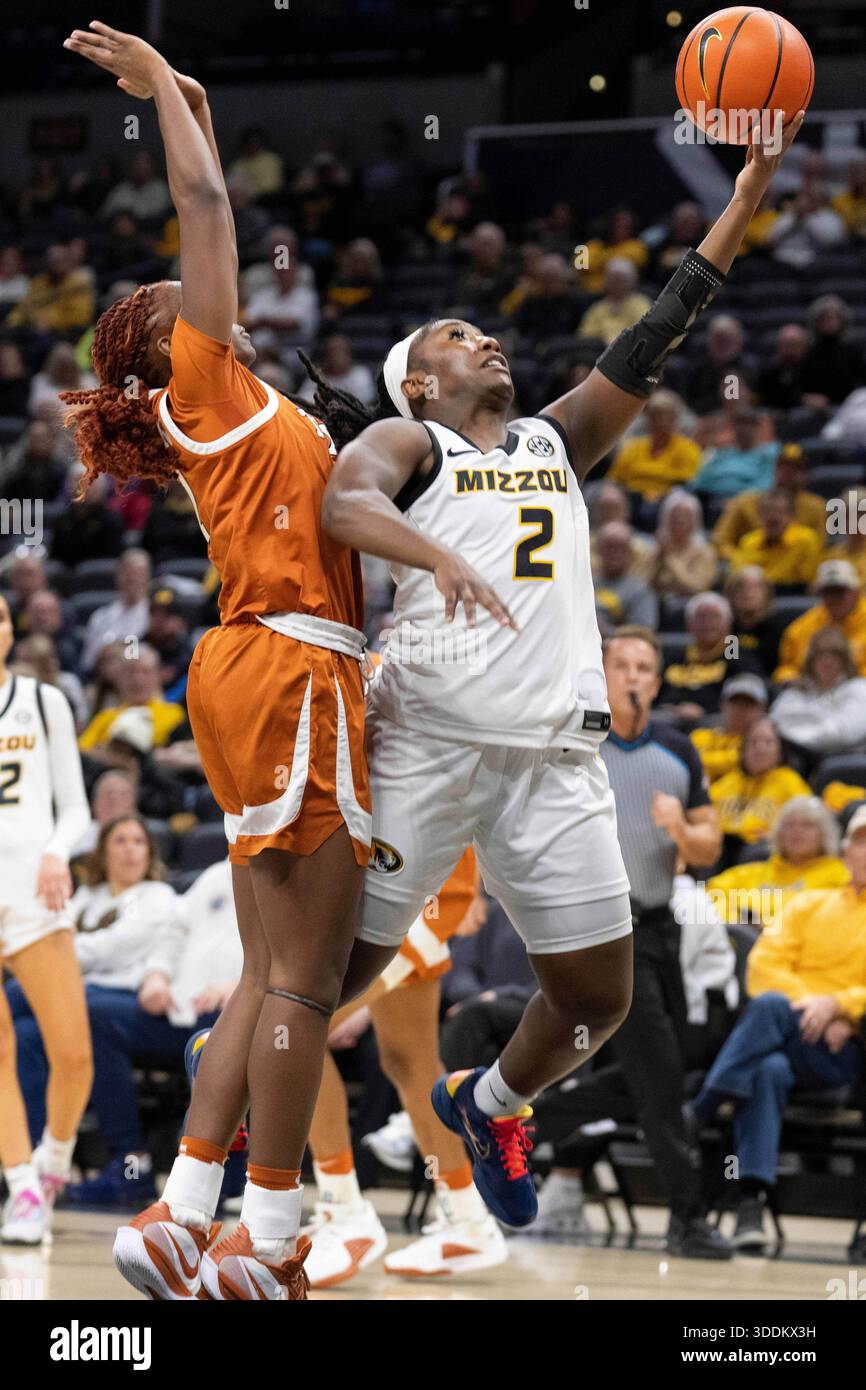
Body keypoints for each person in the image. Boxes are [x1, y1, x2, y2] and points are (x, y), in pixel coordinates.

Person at [311, 111, 803, 1237]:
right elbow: (343, 503)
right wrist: (432, 550)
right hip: (428, 747)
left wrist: (744, 197)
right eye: (452, 335)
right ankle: (234, 1085)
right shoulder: (410, 447)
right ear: (415, 385)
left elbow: (660, 330)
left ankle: (485, 1105)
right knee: (333, 978)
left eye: (482, 331)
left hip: (552, 755)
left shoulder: (547, 439)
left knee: (596, 997)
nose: (482, 340)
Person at [60, 19, 384, 1301]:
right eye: (174, 294)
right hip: (291, 662)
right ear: (160, 336)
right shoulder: (201, 370)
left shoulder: (231, 403)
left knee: (263, 971)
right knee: (304, 977)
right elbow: (201, 193)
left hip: (252, 665)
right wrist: (154, 88)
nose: (194, 289)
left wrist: (184, 91)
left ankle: (180, 1209)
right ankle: (272, 1227)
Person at [528, 628, 728, 1256]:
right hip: (602, 932)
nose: (635, 676)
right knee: (661, 1076)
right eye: (624, 665)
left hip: (663, 928)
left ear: (659, 681)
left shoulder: (678, 750)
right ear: (603, 671)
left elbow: (710, 848)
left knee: (653, 1071)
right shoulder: (578, 742)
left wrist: (681, 832)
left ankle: (507, 1116)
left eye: (646, 667)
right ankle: (687, 1219)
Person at [688, 804, 866, 1252]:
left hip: (848, 1050)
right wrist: (814, 1007)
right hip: (796, 1036)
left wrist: (841, 1008)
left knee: (770, 1011)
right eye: (860, 842)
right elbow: (762, 969)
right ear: (845, 852)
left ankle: (703, 1108)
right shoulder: (809, 904)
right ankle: (751, 1204)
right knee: (766, 1067)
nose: (865, 852)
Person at [0, 595, 91, 1245]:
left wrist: (57, 852)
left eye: (1, 618)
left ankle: (52, 1163)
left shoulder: (42, 701)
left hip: (36, 895)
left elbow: (77, 808)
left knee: (74, 1055)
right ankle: (21, 1189)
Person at [707, 796, 849, 928]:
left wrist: (764, 922)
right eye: (789, 825)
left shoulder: (841, 876)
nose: (797, 831)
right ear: (777, 833)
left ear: (825, 834)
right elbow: (709, 896)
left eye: (807, 825)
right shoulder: (749, 872)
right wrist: (737, 921)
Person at [709, 717, 811, 858]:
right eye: (753, 742)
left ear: (780, 751)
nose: (760, 748)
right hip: (722, 850)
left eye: (768, 742)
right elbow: (703, 818)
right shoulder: (727, 783)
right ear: (743, 750)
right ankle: (700, 882)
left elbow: (809, 820)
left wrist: (776, 835)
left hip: (762, 855)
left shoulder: (790, 781)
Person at [711, 443, 825, 563]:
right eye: (783, 466)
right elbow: (720, 541)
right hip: (751, 569)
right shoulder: (745, 502)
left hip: (795, 571)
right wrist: (742, 559)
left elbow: (819, 548)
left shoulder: (816, 507)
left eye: (796, 468)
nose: (788, 473)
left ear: (806, 474)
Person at [771, 628, 866, 762]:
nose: (827, 661)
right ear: (810, 660)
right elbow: (774, 723)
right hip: (796, 760)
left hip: (842, 763)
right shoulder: (795, 693)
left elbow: (841, 734)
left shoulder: (859, 688)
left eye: (835, 655)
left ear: (845, 660)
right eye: (820, 654)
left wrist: (790, 739)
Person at [774, 559, 866, 683]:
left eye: (840, 591)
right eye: (828, 592)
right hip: (811, 691)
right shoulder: (800, 628)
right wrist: (790, 678)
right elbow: (787, 667)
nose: (834, 598)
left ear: (855, 592)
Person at [609, 390, 702, 504]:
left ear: (675, 418)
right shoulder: (633, 447)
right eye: (655, 416)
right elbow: (615, 478)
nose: (660, 422)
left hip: (667, 500)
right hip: (631, 499)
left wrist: (647, 477)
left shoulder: (688, 448)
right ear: (648, 419)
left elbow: (688, 480)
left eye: (666, 416)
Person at [728, 487, 822, 589]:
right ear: (759, 515)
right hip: (757, 596)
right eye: (767, 512)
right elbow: (739, 576)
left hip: (794, 595)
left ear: (791, 515)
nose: (772, 517)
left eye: (779, 511)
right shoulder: (749, 541)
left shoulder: (805, 539)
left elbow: (809, 578)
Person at [79, 548, 152, 676]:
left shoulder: (153, 616)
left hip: (139, 679)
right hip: (103, 681)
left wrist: (118, 651)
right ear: (118, 577)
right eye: (128, 575)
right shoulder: (100, 617)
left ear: (148, 578)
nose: (133, 580)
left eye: (139, 575)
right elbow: (88, 662)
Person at [691, 672, 768, 785]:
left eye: (748, 704)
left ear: (763, 709)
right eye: (735, 702)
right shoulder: (699, 736)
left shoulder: (759, 744)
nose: (740, 709)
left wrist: (701, 762)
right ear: (722, 704)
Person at [690, 407, 779, 500]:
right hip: (712, 497)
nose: (744, 430)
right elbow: (703, 479)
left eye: (749, 425)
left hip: (744, 502)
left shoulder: (766, 455)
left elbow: (763, 485)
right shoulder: (723, 453)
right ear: (734, 429)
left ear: (757, 429)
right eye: (740, 425)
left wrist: (738, 500)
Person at [647, 488, 718, 597]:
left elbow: (697, 587)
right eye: (675, 515)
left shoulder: (705, 551)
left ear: (695, 519)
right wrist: (658, 557)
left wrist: (670, 557)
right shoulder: (658, 548)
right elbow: (646, 585)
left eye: (686, 515)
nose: (679, 519)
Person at [593, 520, 659, 633]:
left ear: (630, 553)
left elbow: (642, 633)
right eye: (608, 546)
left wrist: (602, 630)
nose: (614, 553)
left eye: (620, 547)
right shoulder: (584, 585)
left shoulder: (639, 591)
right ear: (598, 549)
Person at [578, 258, 650, 346]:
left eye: (621, 280)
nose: (616, 285)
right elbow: (585, 335)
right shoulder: (598, 308)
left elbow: (642, 332)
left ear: (632, 281)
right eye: (613, 280)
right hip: (598, 353)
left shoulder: (640, 304)